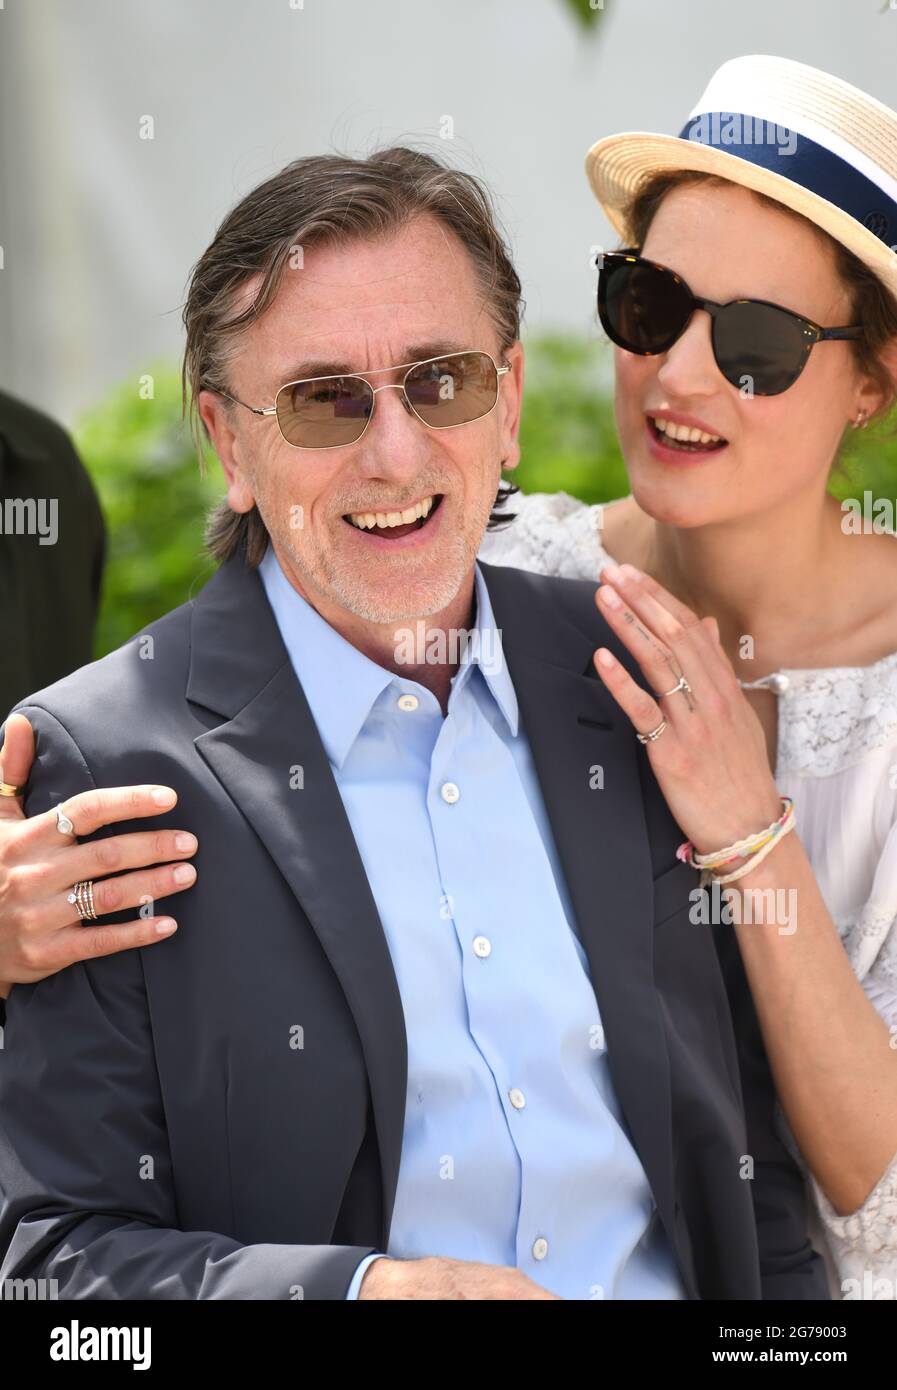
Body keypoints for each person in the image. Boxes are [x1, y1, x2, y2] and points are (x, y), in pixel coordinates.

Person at [0, 147, 826, 1300]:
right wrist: (364, 1296)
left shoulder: (636, 679)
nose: (394, 451)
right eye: (324, 398)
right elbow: (54, 1272)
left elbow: (753, 1185)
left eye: (442, 382)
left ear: (513, 405)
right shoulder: (104, 767)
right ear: (228, 444)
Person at [480, 54, 897, 1296]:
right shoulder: (502, 570)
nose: (680, 375)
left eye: (760, 340)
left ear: (873, 381)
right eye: (653, 305)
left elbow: (871, 1176)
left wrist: (749, 831)